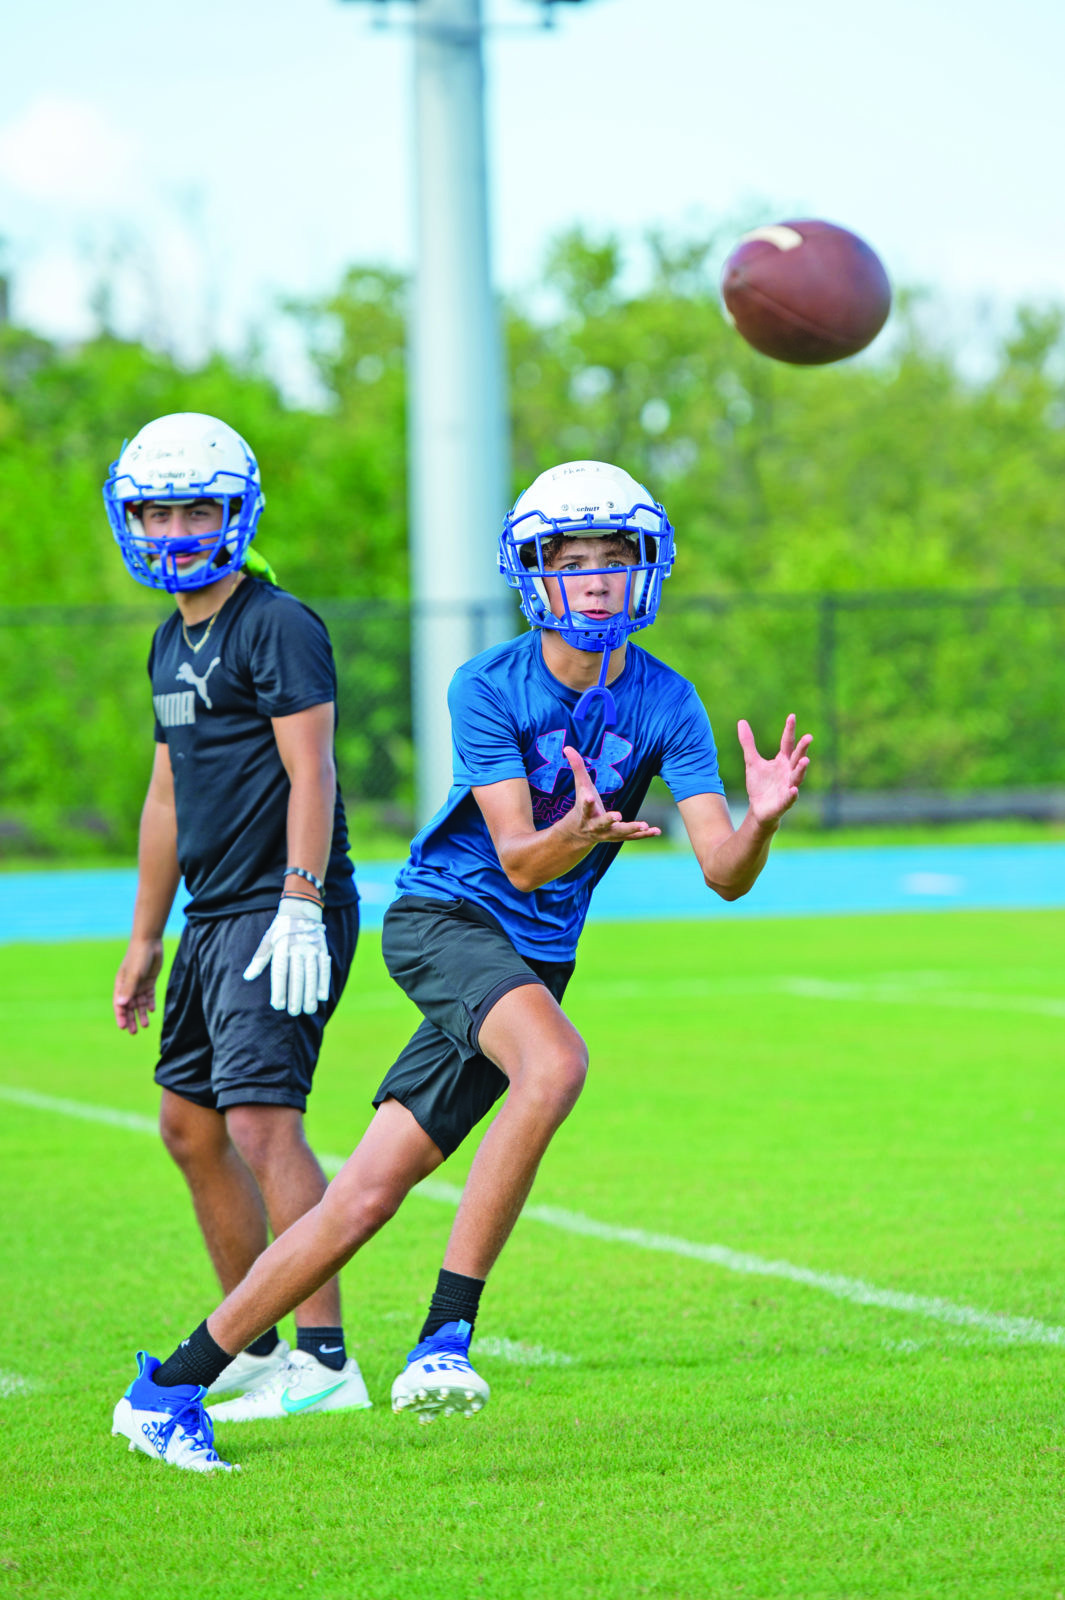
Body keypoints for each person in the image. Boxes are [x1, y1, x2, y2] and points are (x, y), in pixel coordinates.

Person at [111, 458, 812, 1471]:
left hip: (532, 959)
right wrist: (576, 831)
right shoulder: (486, 683)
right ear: (535, 576)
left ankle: (170, 1385)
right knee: (556, 1064)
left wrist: (762, 821)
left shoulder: (670, 700)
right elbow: (523, 859)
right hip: (446, 921)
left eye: (619, 558)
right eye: (575, 562)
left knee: (362, 1194)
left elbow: (723, 873)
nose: (600, 581)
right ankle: (446, 1338)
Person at [105, 411, 370, 1429]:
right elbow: (167, 796)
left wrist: (303, 898)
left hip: (279, 902)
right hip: (211, 912)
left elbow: (315, 768)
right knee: (188, 1126)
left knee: (263, 1120)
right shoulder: (169, 639)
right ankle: (256, 1348)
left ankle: (325, 1357)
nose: (175, 529)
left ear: (235, 511)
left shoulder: (279, 622)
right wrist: (143, 934)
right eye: (156, 509)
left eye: (195, 507)